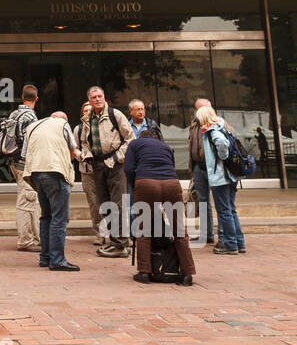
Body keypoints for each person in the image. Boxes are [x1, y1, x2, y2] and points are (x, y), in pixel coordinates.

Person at [124, 125, 196, 285]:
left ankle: (144, 272)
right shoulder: (165, 146)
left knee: (144, 229)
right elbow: (172, 166)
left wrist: (135, 185)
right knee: (179, 230)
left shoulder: (134, 144)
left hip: (146, 183)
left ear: (141, 137)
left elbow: (128, 169)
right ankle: (187, 273)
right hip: (171, 183)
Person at [78, 86, 135, 258]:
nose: (97, 99)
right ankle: (115, 242)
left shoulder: (115, 114)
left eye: (100, 96)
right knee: (105, 205)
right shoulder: (87, 118)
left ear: (104, 97)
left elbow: (130, 138)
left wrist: (118, 157)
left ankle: (121, 245)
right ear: (89, 99)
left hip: (116, 164)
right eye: (94, 97)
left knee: (117, 204)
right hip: (98, 164)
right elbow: (84, 142)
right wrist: (87, 155)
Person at [20, 111, 81, 272]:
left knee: (46, 216)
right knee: (59, 218)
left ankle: (45, 257)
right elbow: (73, 151)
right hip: (55, 173)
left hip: (36, 175)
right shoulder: (62, 124)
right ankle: (57, 259)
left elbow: (25, 156)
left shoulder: (31, 127)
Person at [198, 104, 246, 255]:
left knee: (224, 210)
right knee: (231, 209)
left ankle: (231, 244)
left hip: (220, 177)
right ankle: (239, 242)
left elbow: (222, 144)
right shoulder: (223, 125)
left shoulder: (212, 130)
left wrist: (222, 157)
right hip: (231, 175)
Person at [2, 83, 41, 252]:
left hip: (14, 162)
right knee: (27, 200)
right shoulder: (30, 117)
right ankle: (25, 240)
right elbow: (30, 142)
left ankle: (34, 236)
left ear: (22, 97)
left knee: (30, 198)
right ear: (36, 99)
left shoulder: (14, 113)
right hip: (25, 164)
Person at [73, 101, 104, 245]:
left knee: (109, 201)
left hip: (104, 169)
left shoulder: (104, 127)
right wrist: (82, 156)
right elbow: (74, 149)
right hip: (87, 171)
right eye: (85, 111)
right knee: (94, 204)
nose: (87, 113)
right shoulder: (78, 129)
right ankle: (100, 233)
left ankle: (116, 233)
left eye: (90, 111)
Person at [188, 98, 217, 245]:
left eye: (203, 109)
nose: (200, 112)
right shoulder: (194, 125)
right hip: (199, 167)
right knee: (203, 202)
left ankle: (225, 237)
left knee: (221, 203)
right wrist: (192, 168)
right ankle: (207, 235)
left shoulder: (217, 124)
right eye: (198, 109)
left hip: (214, 168)